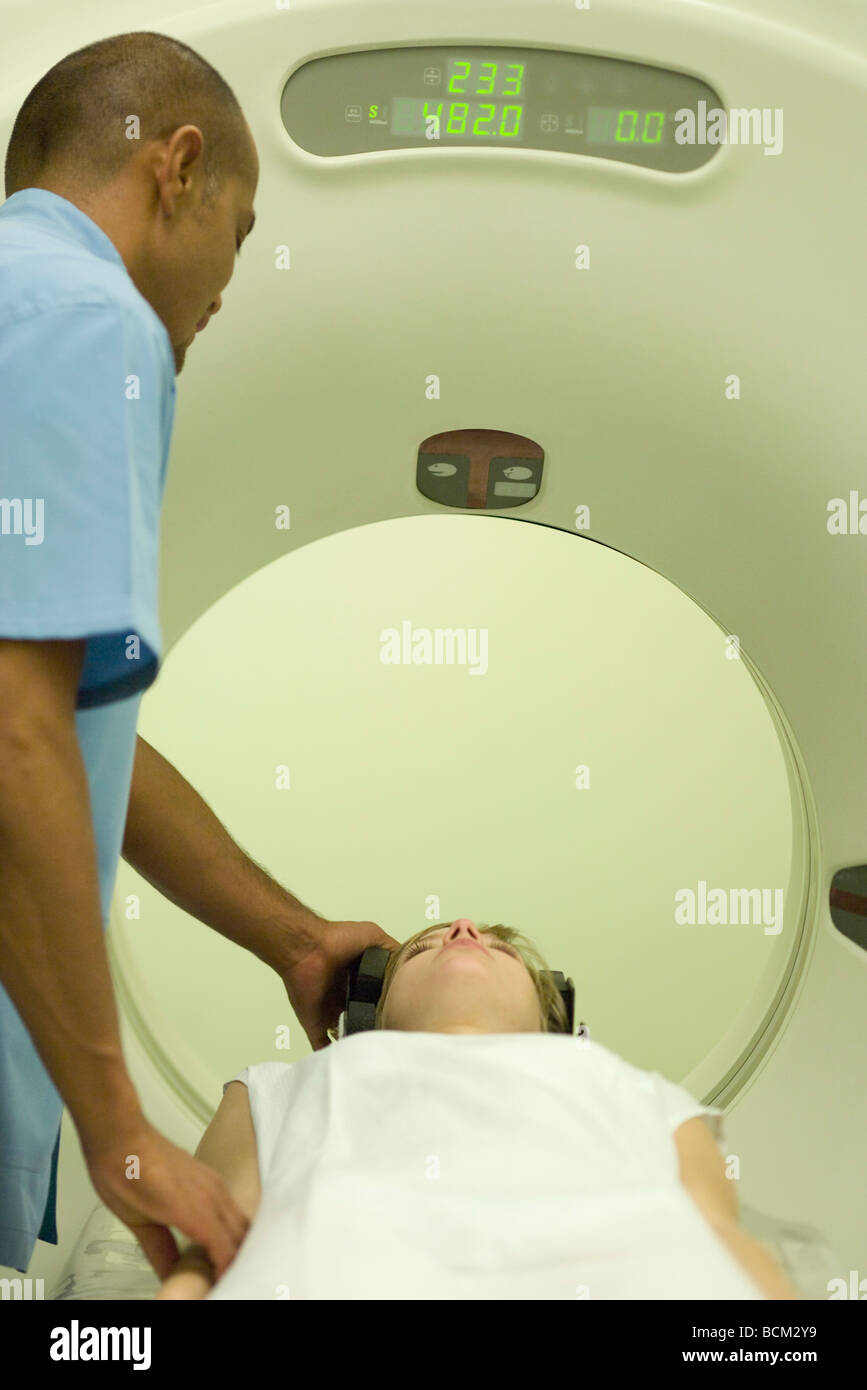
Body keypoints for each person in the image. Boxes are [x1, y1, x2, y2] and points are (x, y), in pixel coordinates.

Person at [0, 29, 398, 1283]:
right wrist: (122, 1132)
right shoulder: (83, 318)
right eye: (242, 226)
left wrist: (287, 936)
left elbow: (55, 719)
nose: (230, 279)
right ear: (178, 165)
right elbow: (11, 734)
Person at [154, 917, 801, 1300]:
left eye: (499, 945)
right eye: (423, 944)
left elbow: (728, 1243)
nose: (463, 930)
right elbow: (206, 1256)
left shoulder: (641, 1091)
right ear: (366, 1012)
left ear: (552, 1018)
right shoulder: (273, 1085)